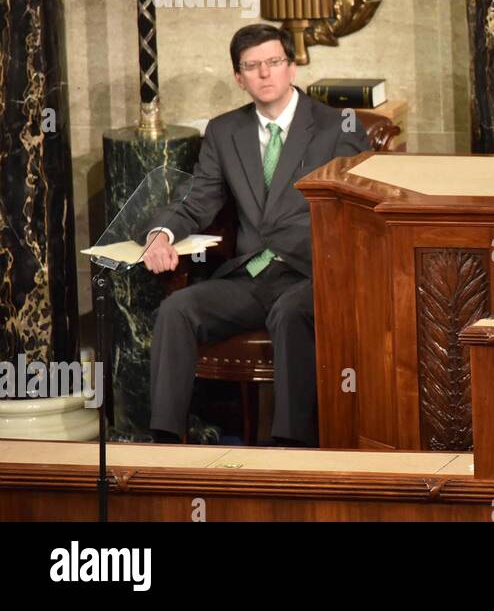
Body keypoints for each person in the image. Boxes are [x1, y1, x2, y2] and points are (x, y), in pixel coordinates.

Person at [140, 23, 369, 445]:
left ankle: (290, 446)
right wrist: (161, 234)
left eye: (273, 62)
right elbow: (197, 200)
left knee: (289, 313)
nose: (265, 74)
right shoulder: (225, 131)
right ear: (238, 77)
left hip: (312, 274)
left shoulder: (337, 127)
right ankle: (166, 443)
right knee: (178, 310)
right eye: (252, 66)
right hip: (250, 274)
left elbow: (359, 209)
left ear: (292, 68)